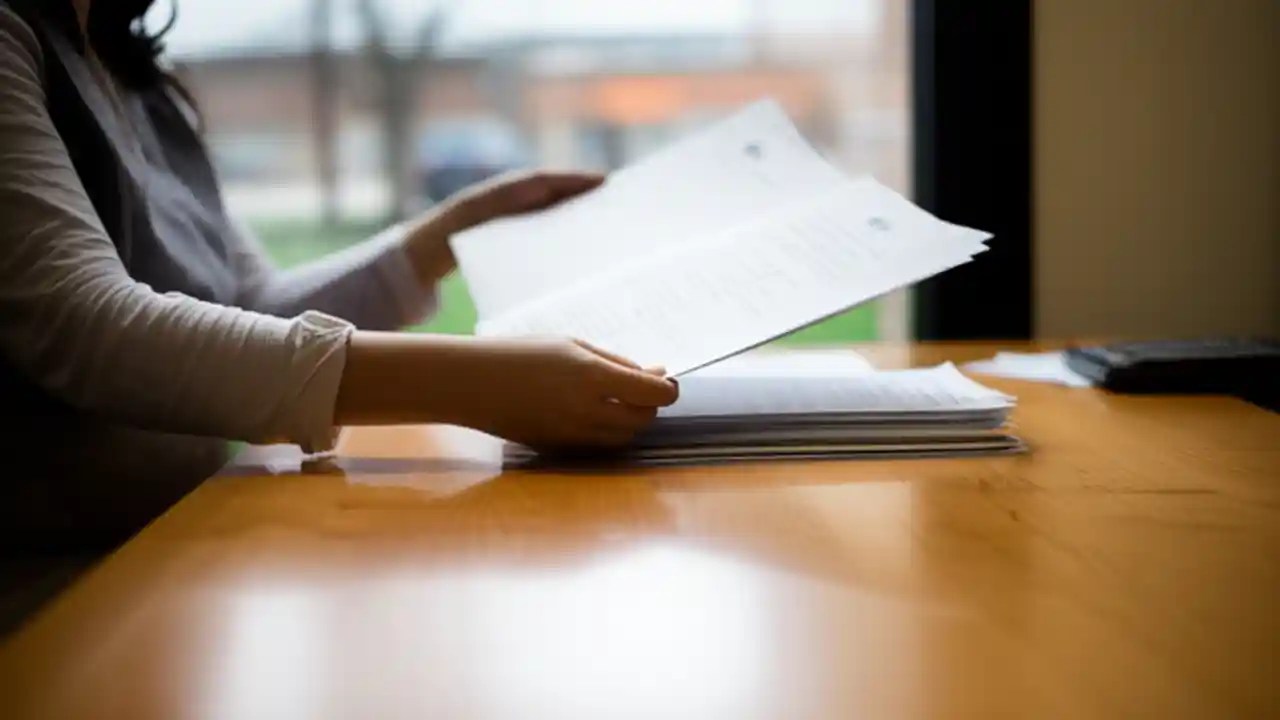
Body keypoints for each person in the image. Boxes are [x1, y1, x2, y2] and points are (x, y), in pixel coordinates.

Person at [0, 0, 677, 546]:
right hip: (50, 593)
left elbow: (249, 309)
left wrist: (449, 234)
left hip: (180, 546)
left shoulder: (131, 66)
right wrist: (477, 383)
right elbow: (87, 329)